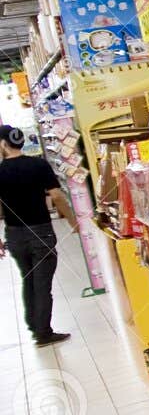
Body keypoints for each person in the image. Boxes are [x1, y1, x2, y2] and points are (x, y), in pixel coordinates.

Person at [0, 125, 77, 346]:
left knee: (28, 278)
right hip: (41, 230)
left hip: (14, 234)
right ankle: (43, 332)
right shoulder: (38, 165)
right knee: (42, 283)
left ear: (4, 144)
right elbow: (57, 196)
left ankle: (34, 325)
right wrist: (73, 221)